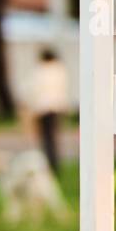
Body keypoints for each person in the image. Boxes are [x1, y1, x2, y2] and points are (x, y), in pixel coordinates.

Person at [30, 48, 70, 178]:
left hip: (43, 108)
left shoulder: (40, 70)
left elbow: (35, 90)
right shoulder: (60, 69)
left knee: (46, 139)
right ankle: (55, 163)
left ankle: (47, 163)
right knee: (53, 137)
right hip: (56, 107)